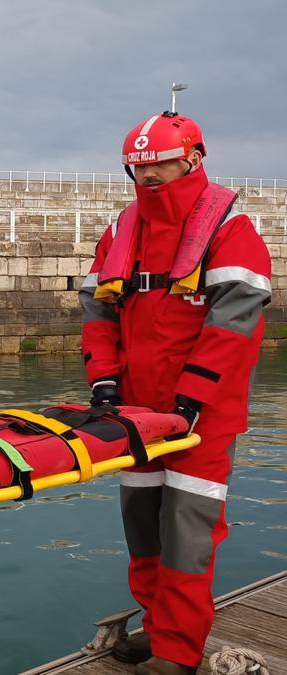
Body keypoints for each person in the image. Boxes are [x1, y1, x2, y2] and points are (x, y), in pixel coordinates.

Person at [80, 112, 271, 675]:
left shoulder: (228, 228)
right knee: (142, 527)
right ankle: (158, 624)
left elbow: (232, 324)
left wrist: (191, 399)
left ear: (192, 158)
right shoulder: (121, 231)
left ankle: (177, 653)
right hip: (136, 411)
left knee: (186, 531)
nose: (150, 176)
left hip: (202, 416)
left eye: (159, 163)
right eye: (139, 168)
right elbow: (98, 311)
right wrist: (104, 379)